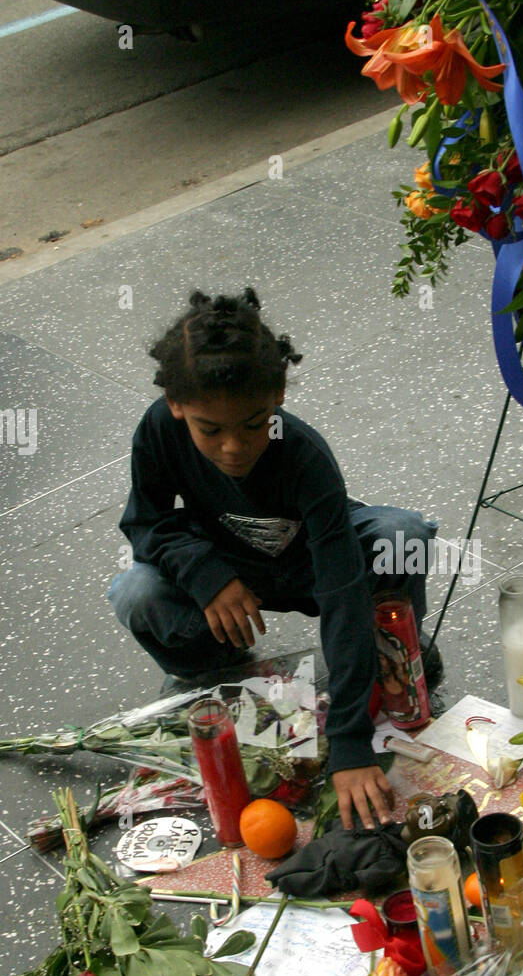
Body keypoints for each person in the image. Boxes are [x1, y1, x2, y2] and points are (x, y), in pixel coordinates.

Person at [108, 287, 440, 831]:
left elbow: (340, 588)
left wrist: (351, 743)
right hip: (231, 573)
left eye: (253, 423)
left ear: (279, 395)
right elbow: (145, 523)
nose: (233, 447)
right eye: (209, 430)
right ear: (176, 406)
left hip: (312, 565)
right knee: (134, 591)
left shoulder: (304, 456)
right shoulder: (158, 430)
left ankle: (393, 649)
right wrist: (206, 575)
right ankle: (212, 673)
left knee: (399, 533)